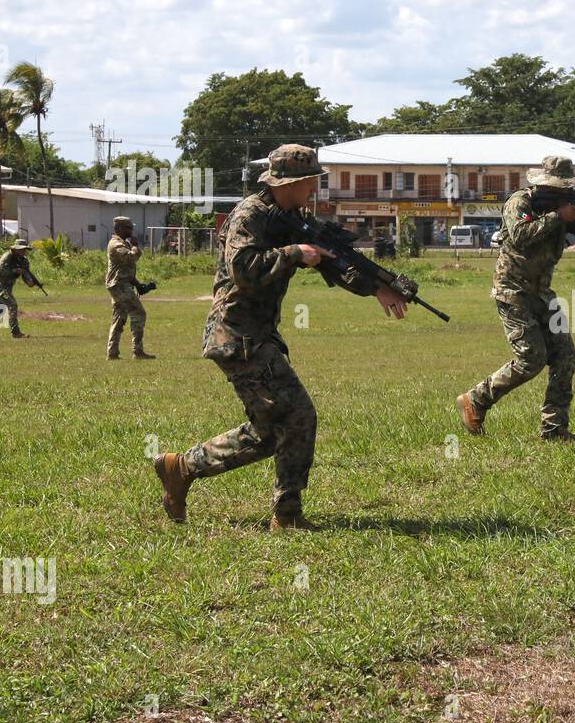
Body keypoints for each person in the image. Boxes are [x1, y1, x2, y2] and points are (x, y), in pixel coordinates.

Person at [152, 144, 409, 532]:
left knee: (274, 430)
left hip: (257, 334)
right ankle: (286, 516)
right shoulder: (250, 215)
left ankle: (182, 467)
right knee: (299, 415)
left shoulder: (292, 217)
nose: (314, 188)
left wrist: (377, 287)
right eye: (310, 181)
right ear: (291, 182)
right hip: (236, 334)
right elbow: (244, 269)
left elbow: (334, 261)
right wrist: (293, 253)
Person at [456, 155, 575, 441]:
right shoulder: (520, 202)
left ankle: (555, 428)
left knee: (565, 357)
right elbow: (519, 235)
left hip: (543, 294)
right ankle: (476, 399)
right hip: (513, 291)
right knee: (530, 359)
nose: (564, 193)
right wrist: (558, 216)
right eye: (559, 188)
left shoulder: (565, 208)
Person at [106, 216, 155, 360]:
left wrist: (138, 285)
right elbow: (130, 258)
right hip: (119, 285)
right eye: (128, 228)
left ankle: (112, 353)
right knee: (139, 313)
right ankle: (137, 351)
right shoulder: (116, 245)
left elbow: (126, 269)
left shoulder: (123, 243)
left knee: (119, 318)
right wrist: (135, 247)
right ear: (119, 228)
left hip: (122, 283)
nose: (131, 230)